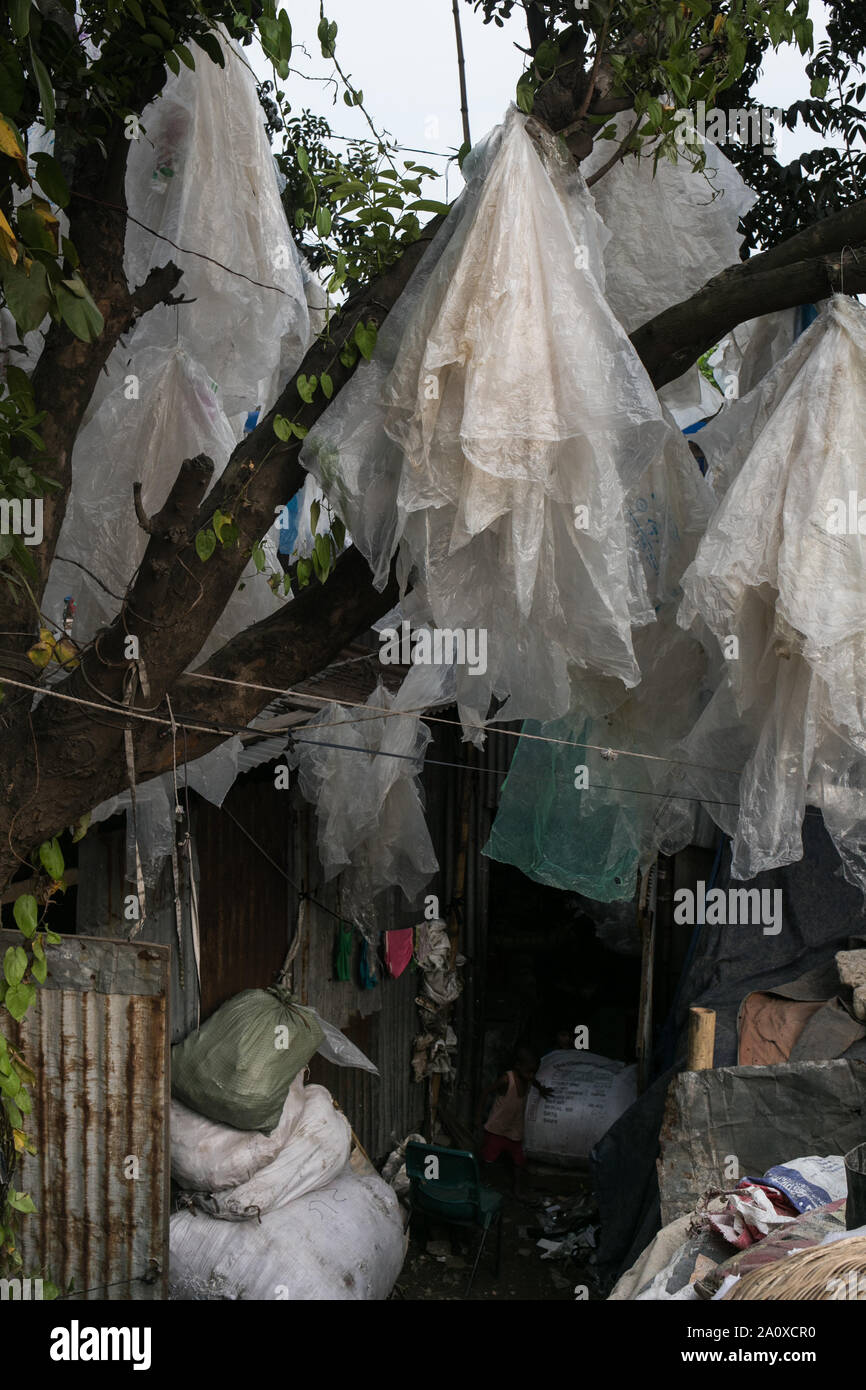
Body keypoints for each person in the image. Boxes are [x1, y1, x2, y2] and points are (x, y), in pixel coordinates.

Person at [476, 1046, 553, 1197]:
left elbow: (534, 1081)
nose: (531, 1076)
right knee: (488, 1159)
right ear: (518, 1066)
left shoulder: (528, 1079)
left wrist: (541, 1089)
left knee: (519, 1161)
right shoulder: (507, 1079)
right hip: (496, 1129)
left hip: (514, 1130)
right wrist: (478, 1116)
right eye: (529, 1071)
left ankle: (517, 1189)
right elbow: (486, 1092)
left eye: (534, 1072)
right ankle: (484, 1184)